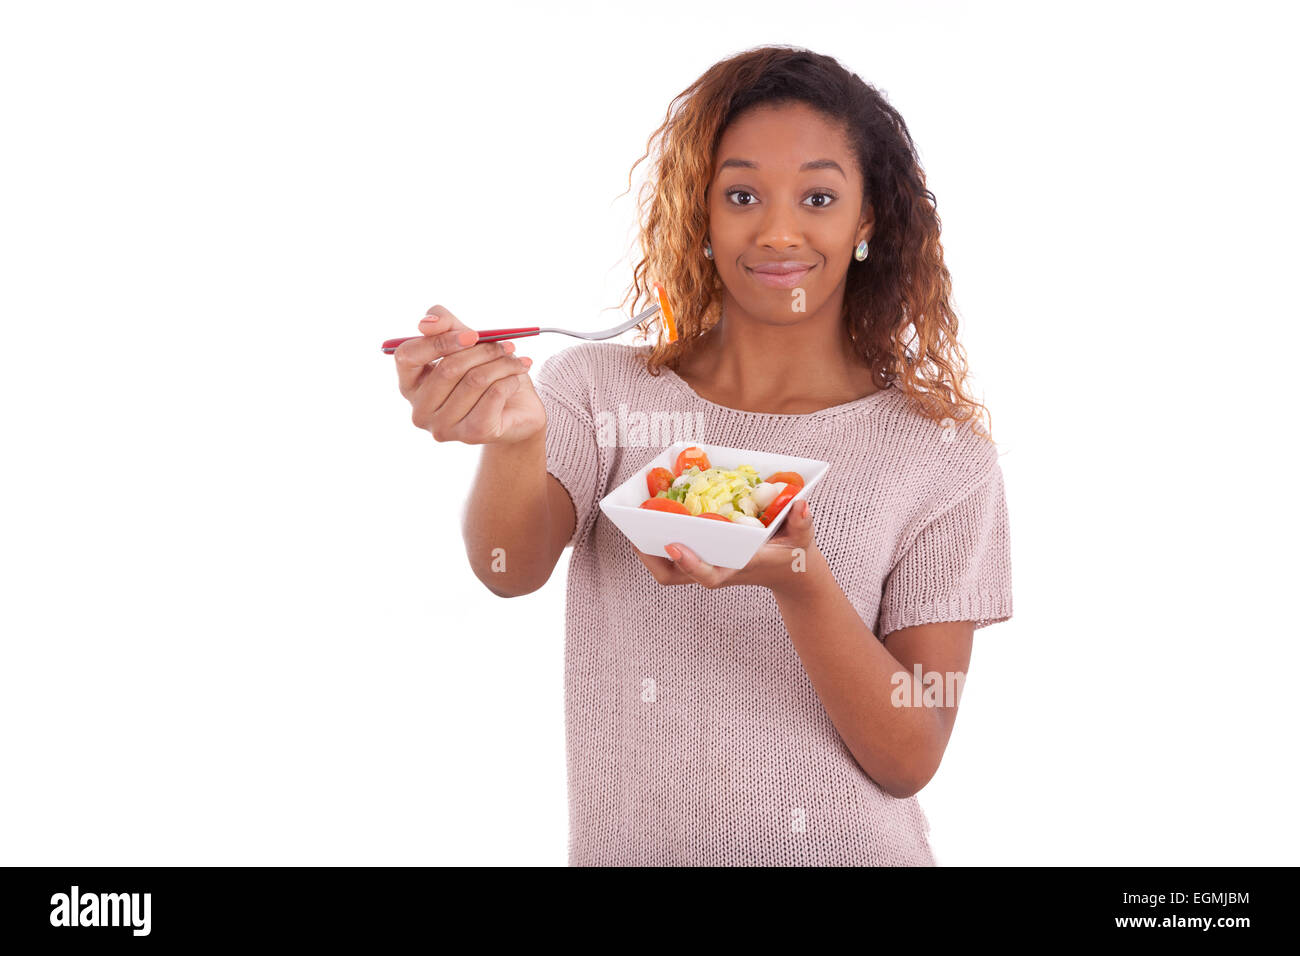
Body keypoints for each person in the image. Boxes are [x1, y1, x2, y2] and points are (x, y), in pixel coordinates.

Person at [394, 45, 1013, 866]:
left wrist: (799, 579)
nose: (778, 230)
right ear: (703, 212)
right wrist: (514, 438)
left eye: (819, 197)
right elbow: (510, 567)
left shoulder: (941, 455)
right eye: (743, 194)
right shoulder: (595, 390)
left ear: (867, 221)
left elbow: (910, 754)